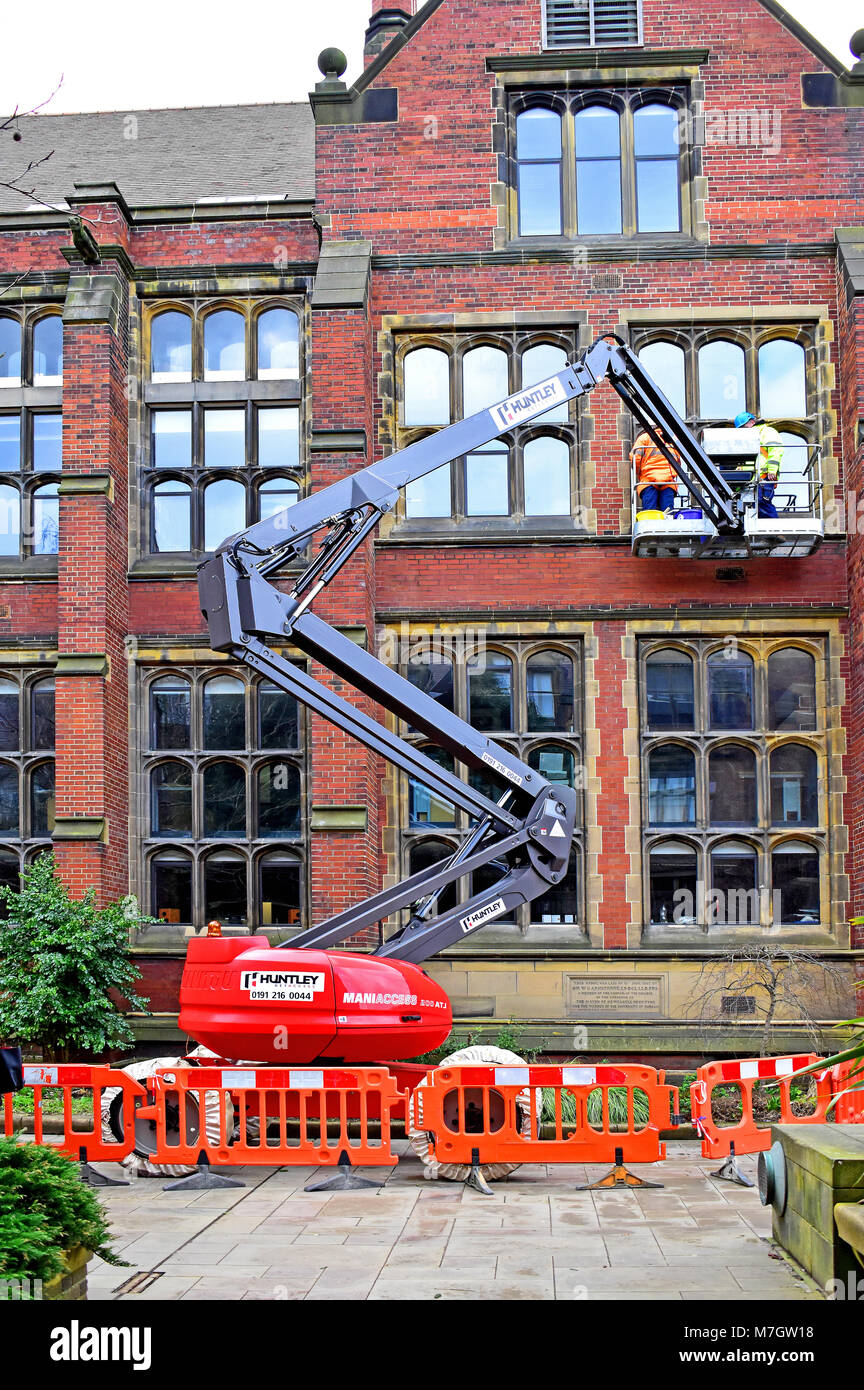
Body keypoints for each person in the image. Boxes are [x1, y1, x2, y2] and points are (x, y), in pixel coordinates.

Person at [733, 411, 783, 519]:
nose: (742, 431)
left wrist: (772, 470)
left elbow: (775, 450)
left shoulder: (767, 432)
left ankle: (774, 531)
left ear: (751, 422)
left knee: (762, 504)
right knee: (751, 507)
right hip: (750, 481)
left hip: (763, 478)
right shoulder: (748, 439)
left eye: (743, 427)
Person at [631, 426, 680, 513]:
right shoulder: (673, 440)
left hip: (649, 480)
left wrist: (640, 474)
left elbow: (635, 459)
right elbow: (678, 463)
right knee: (668, 514)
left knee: (650, 514)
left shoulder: (645, 437)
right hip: (669, 482)